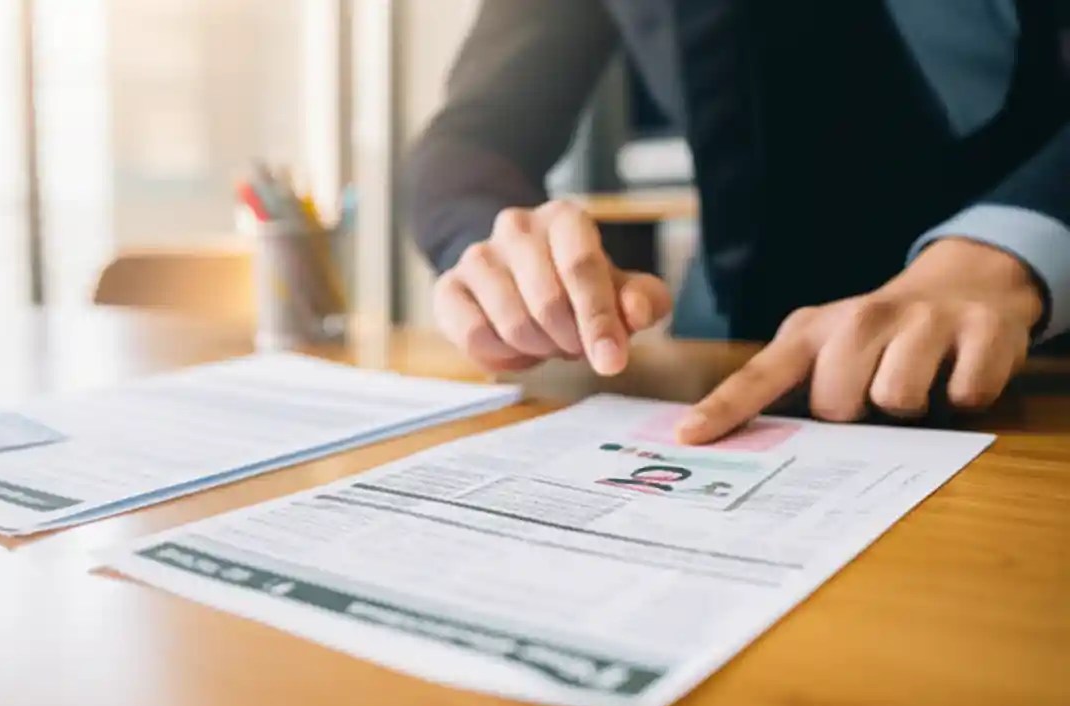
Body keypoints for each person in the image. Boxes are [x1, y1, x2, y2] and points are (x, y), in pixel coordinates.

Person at [405, 1, 1069, 444]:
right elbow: (473, 136)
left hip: (1037, 372)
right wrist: (498, 252)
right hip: (730, 359)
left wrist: (1005, 252)